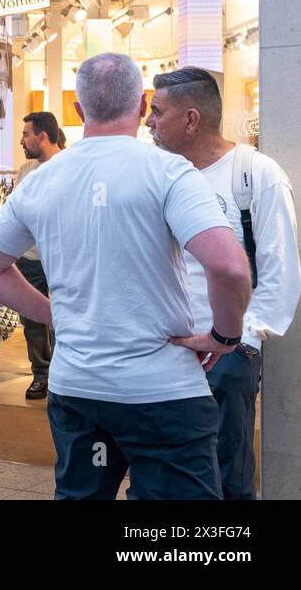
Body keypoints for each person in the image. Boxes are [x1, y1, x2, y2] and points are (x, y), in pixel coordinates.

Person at [0, 53, 251, 500]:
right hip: (163, 392)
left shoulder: (41, 181)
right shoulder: (170, 172)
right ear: (141, 106)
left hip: (78, 388)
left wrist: (52, 313)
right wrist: (224, 337)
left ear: (78, 111)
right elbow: (230, 266)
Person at [146, 66, 301, 499]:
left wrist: (240, 342)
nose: (149, 122)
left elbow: (280, 269)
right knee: (163, 473)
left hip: (225, 355)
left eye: (157, 112)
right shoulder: (159, 173)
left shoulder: (256, 174)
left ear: (191, 119)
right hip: (164, 351)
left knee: (226, 474)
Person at [16, 113, 64, 400]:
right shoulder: (25, 170)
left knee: (63, 318)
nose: (22, 140)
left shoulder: (70, 166)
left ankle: (60, 375)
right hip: (29, 257)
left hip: (61, 258)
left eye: (25, 134)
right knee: (32, 320)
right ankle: (41, 373)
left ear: (42, 136)